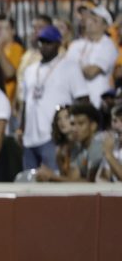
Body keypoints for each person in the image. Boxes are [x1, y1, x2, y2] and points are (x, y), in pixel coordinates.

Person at [17, 25, 87, 171]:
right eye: (41, 42)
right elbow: (26, 103)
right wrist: (21, 128)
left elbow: (83, 100)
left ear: (58, 44)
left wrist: (74, 129)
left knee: (54, 181)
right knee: (29, 186)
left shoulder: (69, 66)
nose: (44, 46)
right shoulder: (30, 70)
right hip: (30, 137)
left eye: (48, 42)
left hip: (54, 136)